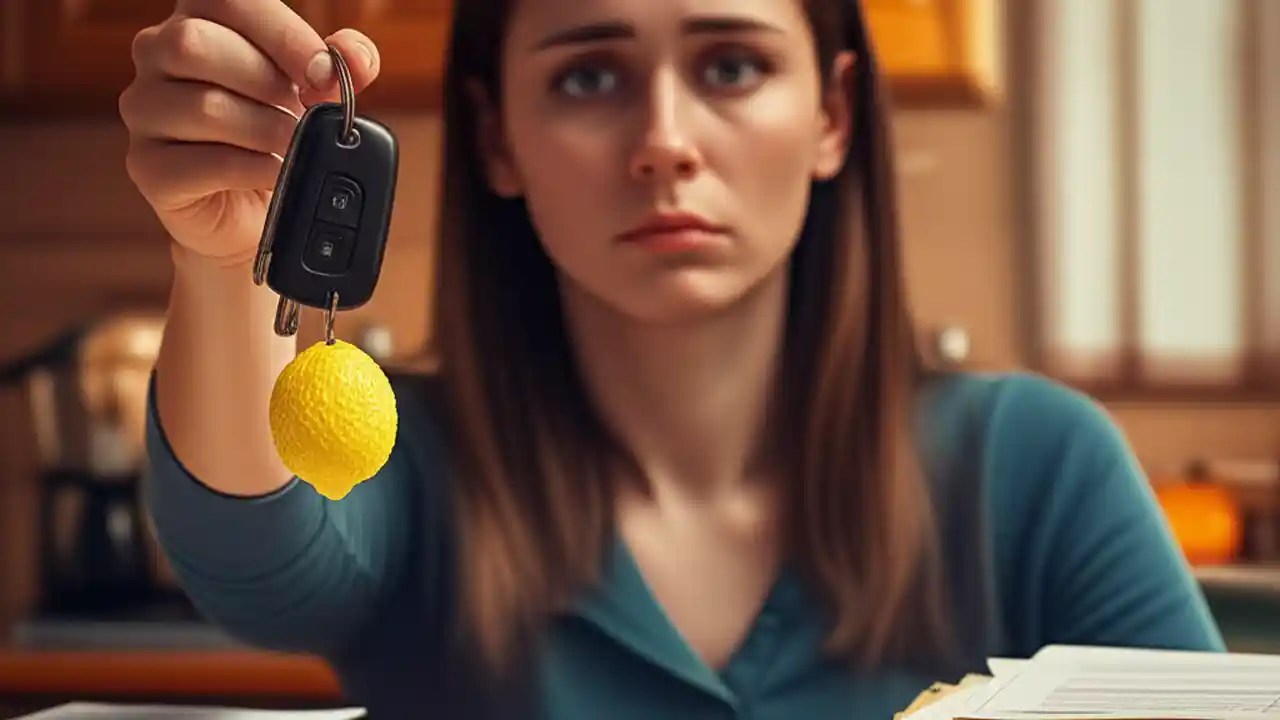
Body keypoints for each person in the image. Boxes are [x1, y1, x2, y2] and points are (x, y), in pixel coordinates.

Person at [119, 0, 1226, 717]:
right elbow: (249, 557)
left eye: (732, 65)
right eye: (589, 78)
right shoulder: (414, 469)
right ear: (497, 136)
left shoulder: (1037, 466)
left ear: (832, 114)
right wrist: (221, 258)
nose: (664, 142)